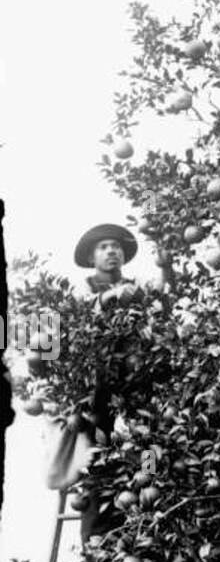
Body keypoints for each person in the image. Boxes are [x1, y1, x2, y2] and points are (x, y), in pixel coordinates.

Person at [46, 224, 138, 543]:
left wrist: (166, 269)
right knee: (97, 475)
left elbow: (164, 298)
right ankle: (97, 553)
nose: (112, 251)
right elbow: (72, 318)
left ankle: (138, 543)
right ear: (91, 256)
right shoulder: (80, 288)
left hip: (133, 392)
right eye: (104, 247)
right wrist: (110, 297)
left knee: (143, 469)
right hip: (95, 399)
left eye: (116, 246)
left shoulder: (134, 287)